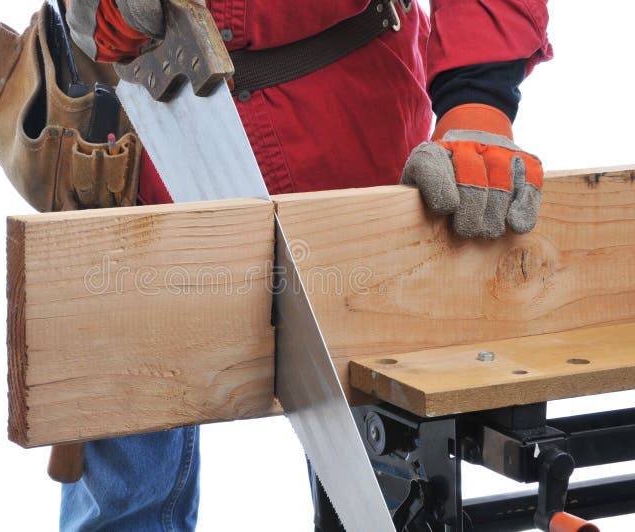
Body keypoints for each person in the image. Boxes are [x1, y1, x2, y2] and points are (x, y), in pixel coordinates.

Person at [59, 0, 551, 530]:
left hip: (349, 145)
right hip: (144, 141)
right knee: (125, 502)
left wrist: (476, 99)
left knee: (384, 491)